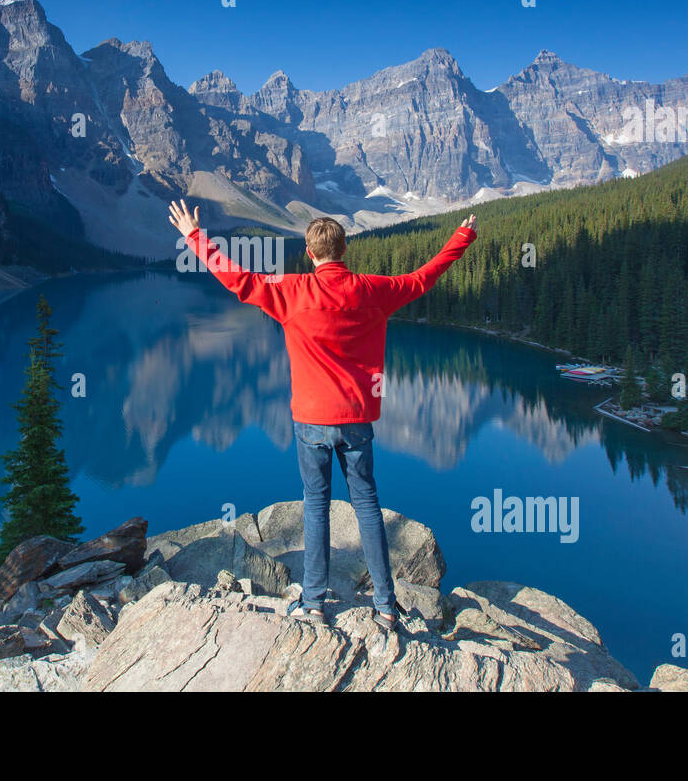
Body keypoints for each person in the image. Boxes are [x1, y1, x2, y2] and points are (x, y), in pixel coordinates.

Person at [168, 199, 477, 630]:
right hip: (356, 422)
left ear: (310, 254)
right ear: (344, 249)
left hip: (311, 422)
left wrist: (194, 237)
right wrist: (461, 238)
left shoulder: (291, 290)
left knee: (316, 507)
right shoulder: (372, 290)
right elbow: (423, 277)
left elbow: (237, 279)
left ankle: (313, 602)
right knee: (367, 506)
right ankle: (386, 607)